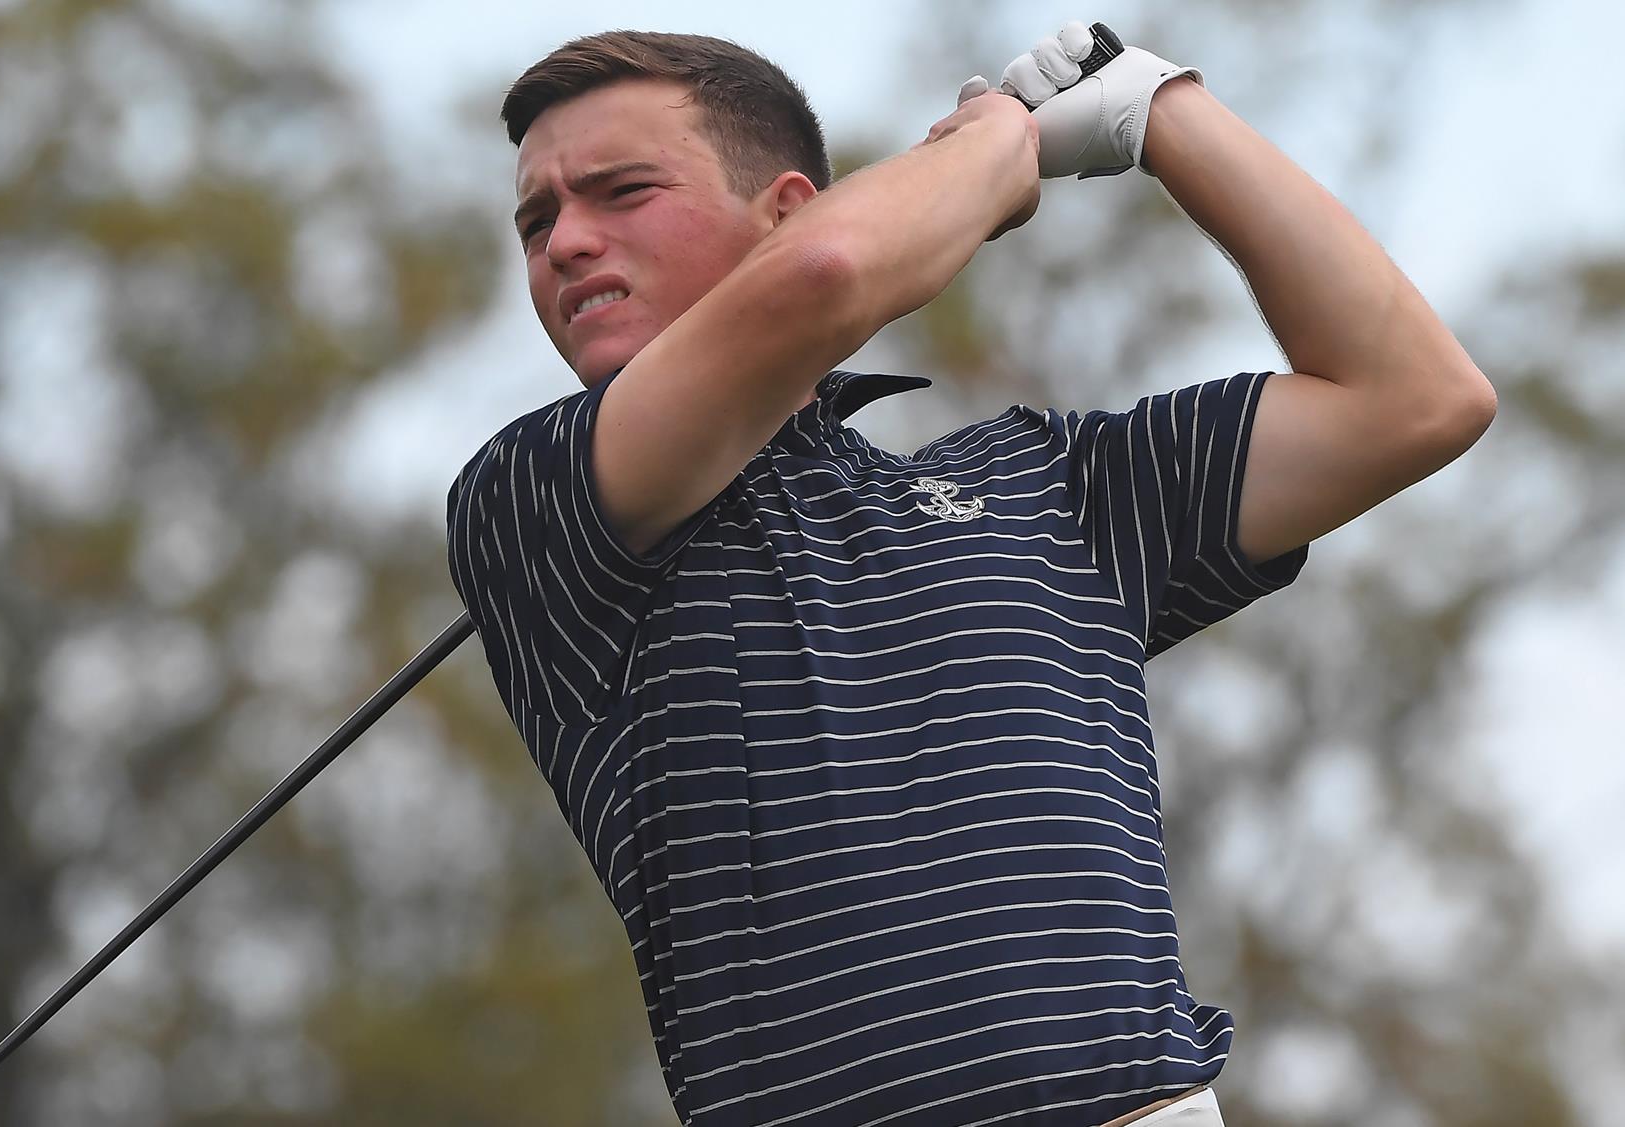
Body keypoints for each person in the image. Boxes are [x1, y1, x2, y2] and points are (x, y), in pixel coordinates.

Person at [445, 23, 1493, 1127]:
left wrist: (1158, 112)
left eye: (620, 190)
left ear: (788, 205)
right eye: (536, 218)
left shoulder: (1049, 483)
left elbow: (1419, 398)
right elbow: (829, 275)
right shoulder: (536, 501)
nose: (564, 240)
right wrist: (999, 152)